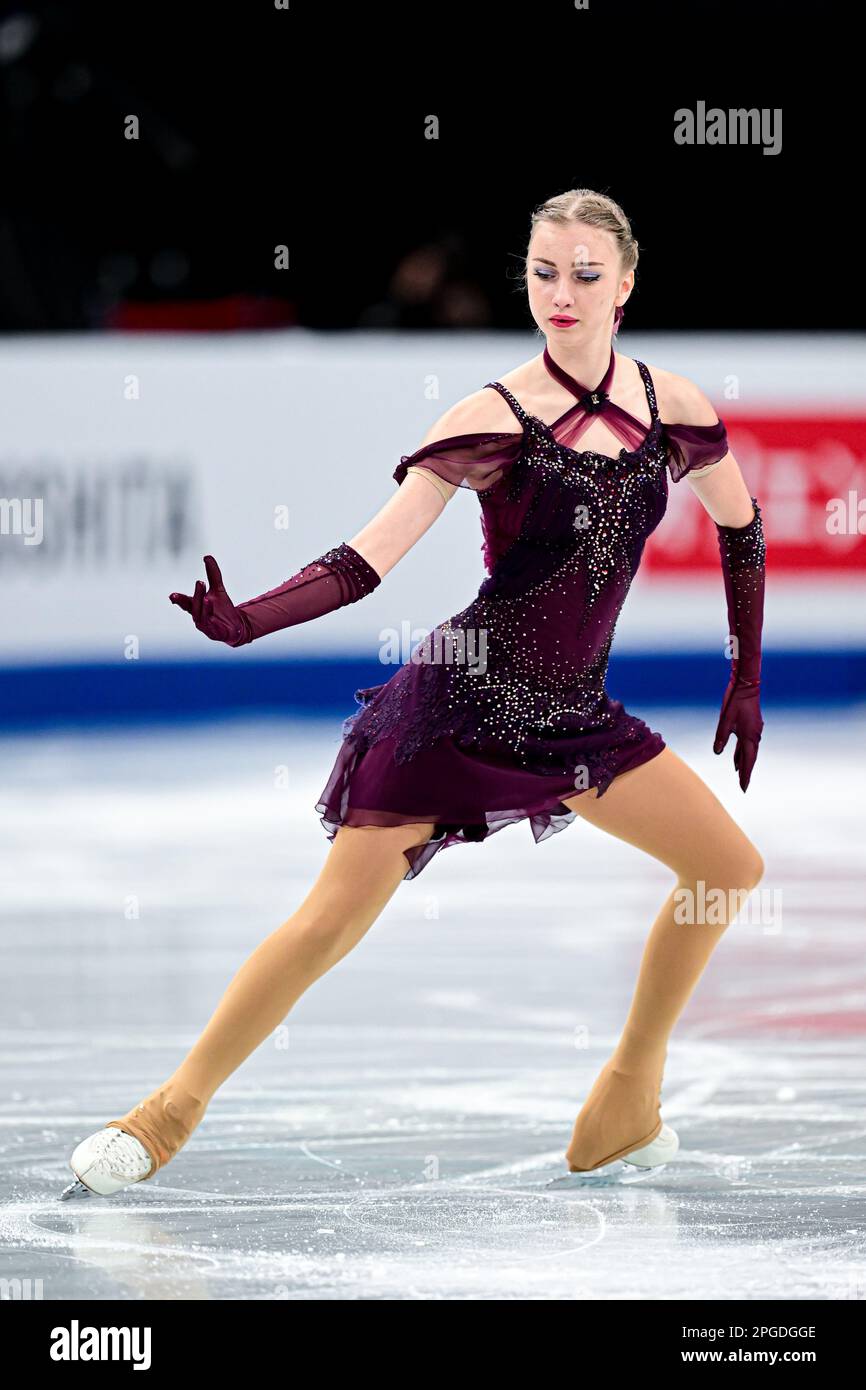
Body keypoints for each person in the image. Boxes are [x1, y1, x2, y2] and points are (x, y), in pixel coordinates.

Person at [62, 188, 765, 1198]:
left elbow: (740, 528)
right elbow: (367, 557)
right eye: (541, 272)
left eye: (582, 273)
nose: (559, 294)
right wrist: (247, 619)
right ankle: (163, 1112)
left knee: (725, 868)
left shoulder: (674, 409)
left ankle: (624, 1100)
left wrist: (744, 676)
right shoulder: (492, 415)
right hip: (462, 701)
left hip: (573, 716)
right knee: (328, 924)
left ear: (625, 281)